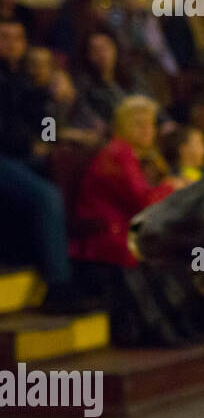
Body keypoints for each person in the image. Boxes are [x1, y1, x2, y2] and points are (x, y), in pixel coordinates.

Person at [68, 96, 194, 347]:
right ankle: (157, 325)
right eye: (138, 124)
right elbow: (141, 200)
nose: (147, 130)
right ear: (123, 127)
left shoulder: (138, 154)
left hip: (126, 226)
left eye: (150, 123)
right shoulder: (119, 152)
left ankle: (176, 319)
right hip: (105, 232)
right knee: (143, 253)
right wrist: (172, 186)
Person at [0, 19, 91, 312]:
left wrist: (54, 99)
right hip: (5, 155)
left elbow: (47, 129)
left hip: (20, 156)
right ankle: (59, 284)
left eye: (17, 38)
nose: (11, 44)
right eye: (4, 37)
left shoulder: (23, 81)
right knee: (47, 195)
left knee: (80, 171)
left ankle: (88, 268)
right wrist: (31, 144)